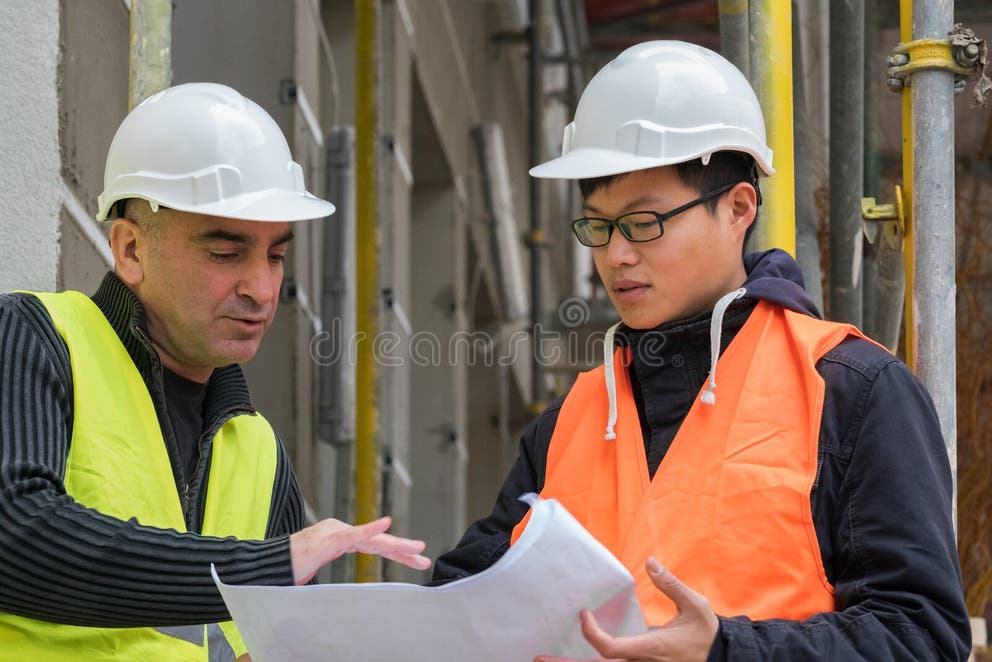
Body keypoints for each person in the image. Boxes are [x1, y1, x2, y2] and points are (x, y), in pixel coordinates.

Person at [432, 41, 971, 660]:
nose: (616, 256)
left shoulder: (854, 391)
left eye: (643, 222)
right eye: (599, 226)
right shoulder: (564, 427)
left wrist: (727, 649)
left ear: (738, 208)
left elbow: (922, 636)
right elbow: (463, 605)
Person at [0, 82, 430, 661]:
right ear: (129, 250)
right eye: (225, 253)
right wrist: (264, 569)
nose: (261, 288)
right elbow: (13, 536)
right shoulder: (32, 336)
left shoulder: (259, 452)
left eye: (276, 255)